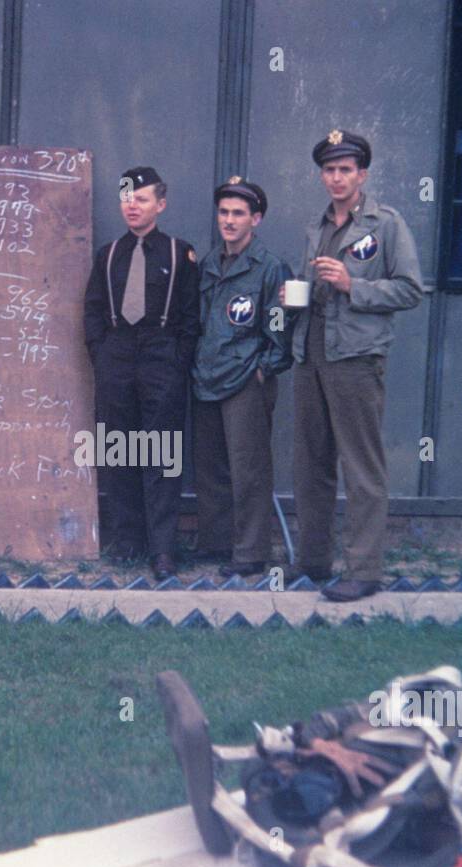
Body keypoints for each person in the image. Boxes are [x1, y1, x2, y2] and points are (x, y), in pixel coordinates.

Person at [283, 129, 422, 602]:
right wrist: (294, 297)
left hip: (357, 358)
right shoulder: (316, 226)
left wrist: (351, 285)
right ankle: (313, 559)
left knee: (362, 468)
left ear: (362, 174)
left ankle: (363, 571)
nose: (336, 177)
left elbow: (409, 289)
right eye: (329, 169)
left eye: (345, 169)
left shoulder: (386, 224)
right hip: (312, 352)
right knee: (310, 464)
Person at [83, 166, 200, 581]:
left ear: (161, 205)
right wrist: (102, 353)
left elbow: (190, 318)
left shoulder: (179, 253)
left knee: (160, 453)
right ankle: (128, 542)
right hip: (117, 356)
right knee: (118, 450)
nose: (132, 205)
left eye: (142, 198)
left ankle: (163, 550)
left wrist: (176, 360)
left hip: (160, 357)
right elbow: (93, 311)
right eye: (126, 198)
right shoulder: (108, 254)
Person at [191, 177, 292, 577]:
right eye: (223, 212)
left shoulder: (269, 267)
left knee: (248, 468)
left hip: (246, 379)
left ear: (256, 219)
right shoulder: (210, 265)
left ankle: (250, 552)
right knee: (210, 468)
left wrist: (266, 368)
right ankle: (215, 542)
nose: (229, 221)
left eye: (238, 213)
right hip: (207, 375)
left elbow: (280, 325)